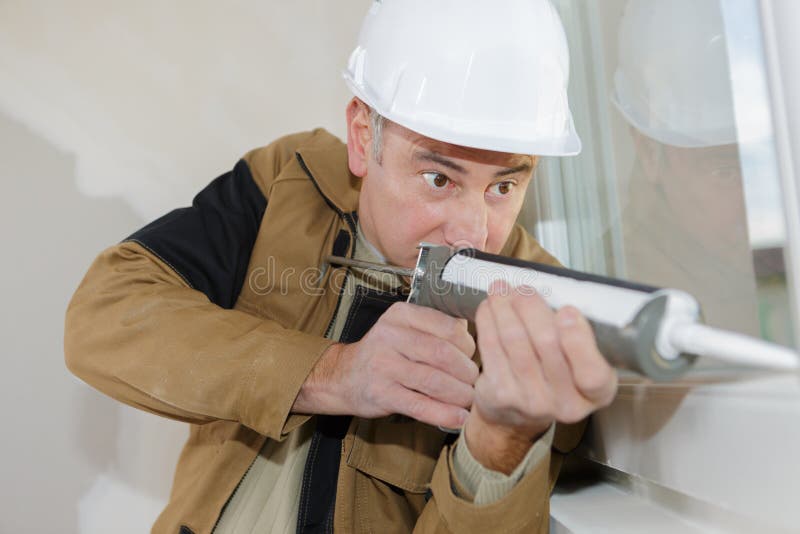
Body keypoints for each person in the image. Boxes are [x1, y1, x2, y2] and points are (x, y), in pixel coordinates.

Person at [64, 1, 618, 532]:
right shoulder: (287, 183)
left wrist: (501, 440)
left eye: (504, 186)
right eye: (439, 179)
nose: (472, 233)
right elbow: (105, 315)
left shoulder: (535, 314)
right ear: (362, 137)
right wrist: (334, 374)